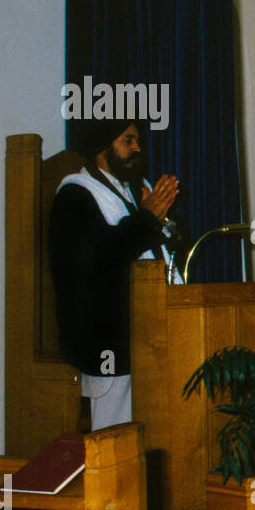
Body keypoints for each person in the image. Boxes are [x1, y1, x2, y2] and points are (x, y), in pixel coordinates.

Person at [48, 119, 180, 430]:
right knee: (114, 446)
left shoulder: (132, 191)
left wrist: (156, 219)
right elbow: (100, 260)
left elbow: (153, 251)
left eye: (138, 140)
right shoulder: (75, 195)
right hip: (109, 344)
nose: (138, 148)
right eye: (128, 140)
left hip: (148, 337)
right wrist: (147, 219)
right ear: (102, 147)